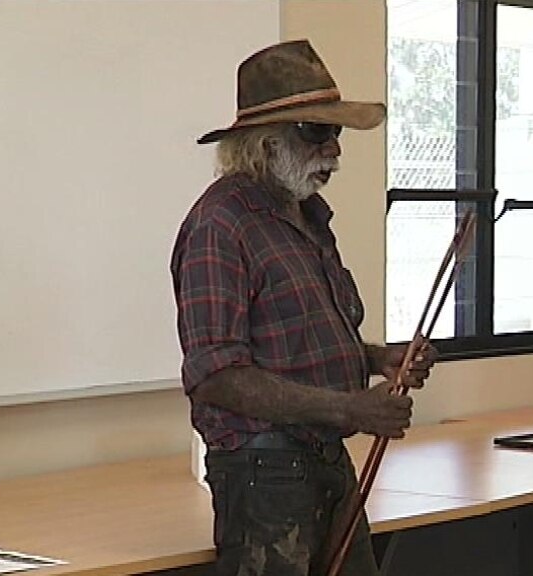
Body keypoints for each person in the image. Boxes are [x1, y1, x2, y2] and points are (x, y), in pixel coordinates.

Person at [170, 40, 437, 576]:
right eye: (317, 132)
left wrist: (377, 358)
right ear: (266, 144)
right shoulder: (220, 225)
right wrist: (351, 409)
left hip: (324, 459)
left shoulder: (307, 215)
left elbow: (301, 340)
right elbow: (217, 375)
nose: (335, 149)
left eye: (335, 132)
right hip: (263, 473)